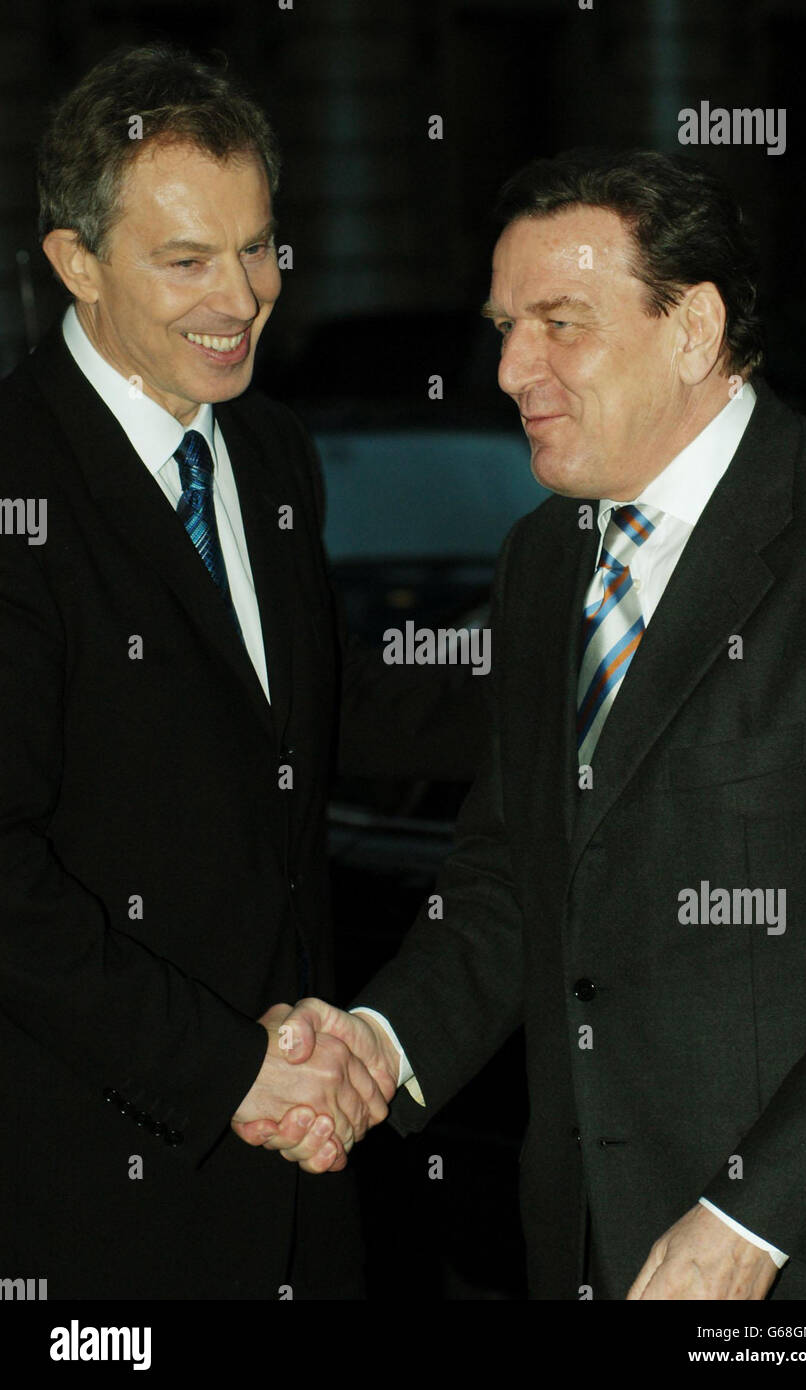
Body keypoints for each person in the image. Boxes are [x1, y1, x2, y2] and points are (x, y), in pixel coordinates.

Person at [245, 149, 806, 1301]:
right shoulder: (542, 560)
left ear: (694, 330)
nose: (509, 367)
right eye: (504, 324)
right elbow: (507, 883)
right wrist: (379, 1046)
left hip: (796, 1264)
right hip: (577, 1245)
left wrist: (752, 1221)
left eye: (559, 323)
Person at [0, 41, 486, 1300]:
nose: (244, 295)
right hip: (94, 1191)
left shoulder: (267, 452)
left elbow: (313, 715)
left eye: (261, 246)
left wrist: (590, 681)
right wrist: (228, 1069)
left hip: (300, 1179)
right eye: (187, 260)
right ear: (75, 263)